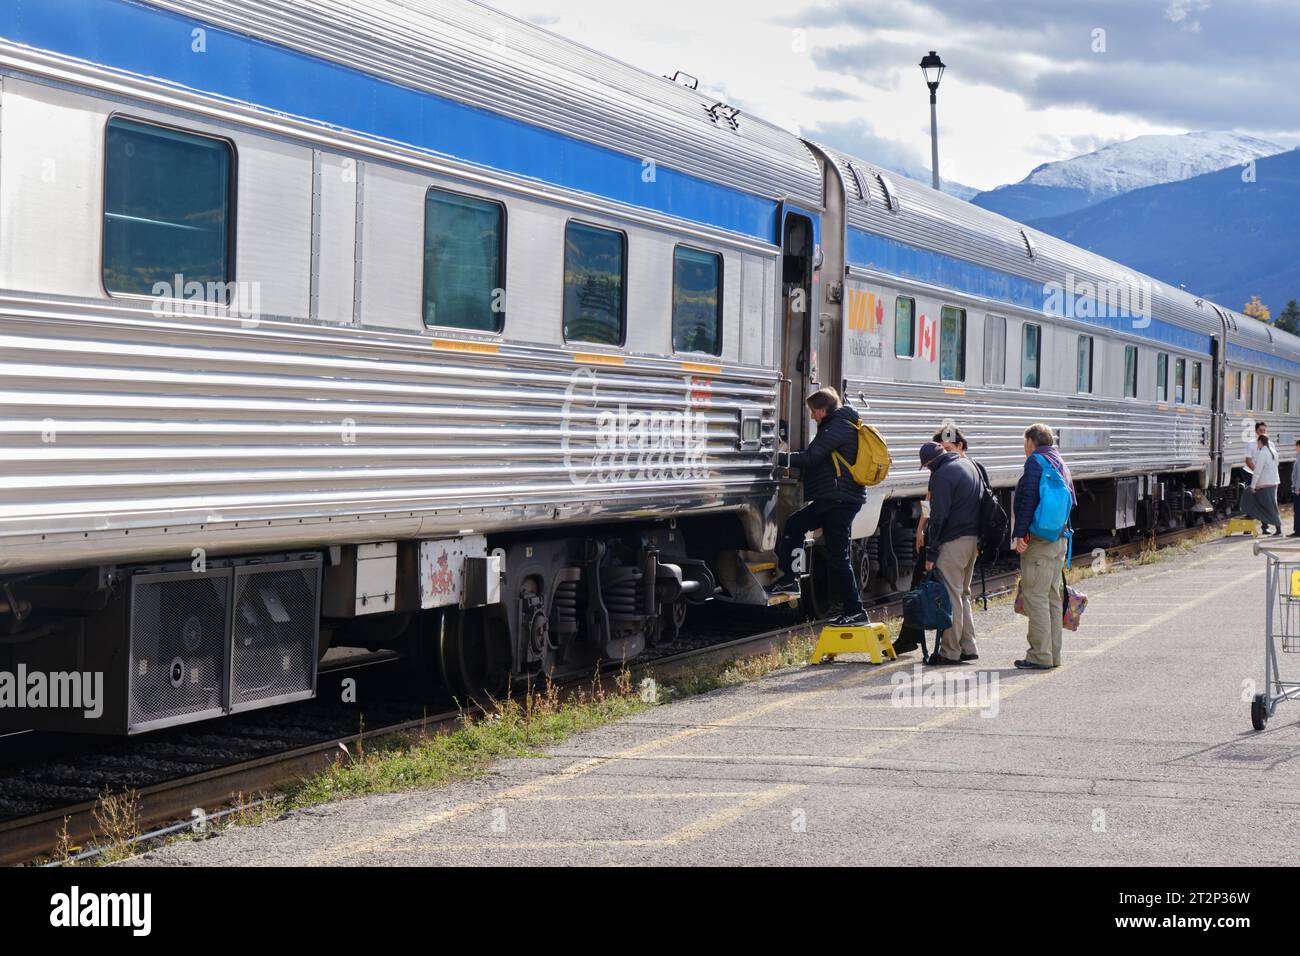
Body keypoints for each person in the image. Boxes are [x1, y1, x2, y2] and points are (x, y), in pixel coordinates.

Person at [771, 387, 868, 626]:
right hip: (833, 500)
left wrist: (777, 458)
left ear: (823, 410)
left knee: (838, 557)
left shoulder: (837, 427)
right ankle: (790, 578)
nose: (812, 417)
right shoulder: (839, 424)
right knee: (795, 525)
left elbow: (811, 457)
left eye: (814, 412)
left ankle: (855, 611)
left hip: (839, 501)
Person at [1012, 422, 1076, 670]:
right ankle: (1052, 655)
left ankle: (1039, 655)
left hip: (1039, 542)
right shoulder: (1059, 461)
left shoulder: (1034, 462)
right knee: (1051, 597)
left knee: (1035, 597)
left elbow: (1028, 500)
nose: (1024, 448)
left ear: (1031, 442)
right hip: (1059, 539)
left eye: (1024, 443)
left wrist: (1020, 535)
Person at [919, 439, 983, 665]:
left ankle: (950, 651)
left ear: (930, 462)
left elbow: (938, 517)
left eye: (926, 466)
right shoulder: (969, 465)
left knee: (951, 595)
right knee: (963, 593)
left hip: (953, 542)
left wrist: (931, 553)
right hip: (972, 540)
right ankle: (968, 646)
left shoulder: (942, 475)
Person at [1251, 434, 1283, 537]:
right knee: (1271, 505)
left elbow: (1257, 470)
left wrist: (1253, 485)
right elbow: (1275, 466)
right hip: (1273, 483)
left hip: (1265, 484)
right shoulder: (1273, 451)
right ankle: (1272, 528)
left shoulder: (1263, 453)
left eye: (1258, 442)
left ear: (1261, 442)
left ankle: (1278, 529)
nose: (1257, 444)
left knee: (1269, 506)